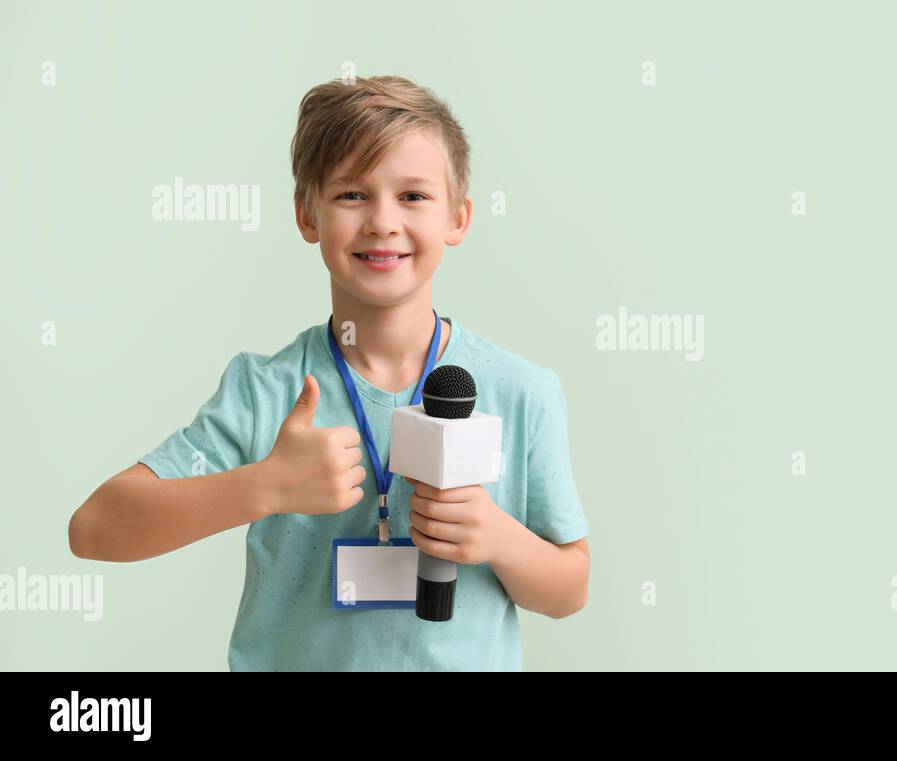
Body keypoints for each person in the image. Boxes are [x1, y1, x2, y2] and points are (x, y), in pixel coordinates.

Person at [67, 75, 591, 671]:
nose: (383, 222)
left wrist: (499, 538)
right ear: (306, 214)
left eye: (413, 196)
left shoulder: (522, 391)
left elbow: (569, 588)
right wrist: (266, 485)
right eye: (351, 195)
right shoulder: (268, 393)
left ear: (459, 217)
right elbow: (95, 528)